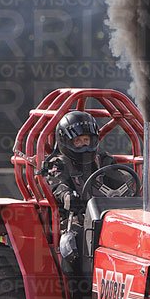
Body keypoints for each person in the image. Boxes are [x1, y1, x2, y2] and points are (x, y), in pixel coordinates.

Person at [40, 110, 136, 275]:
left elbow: (121, 180)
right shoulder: (57, 164)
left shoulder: (103, 160)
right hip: (74, 218)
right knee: (75, 242)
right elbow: (57, 186)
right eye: (78, 141)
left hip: (107, 215)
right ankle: (81, 293)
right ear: (66, 141)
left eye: (87, 140)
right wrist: (68, 196)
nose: (84, 145)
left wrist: (131, 190)